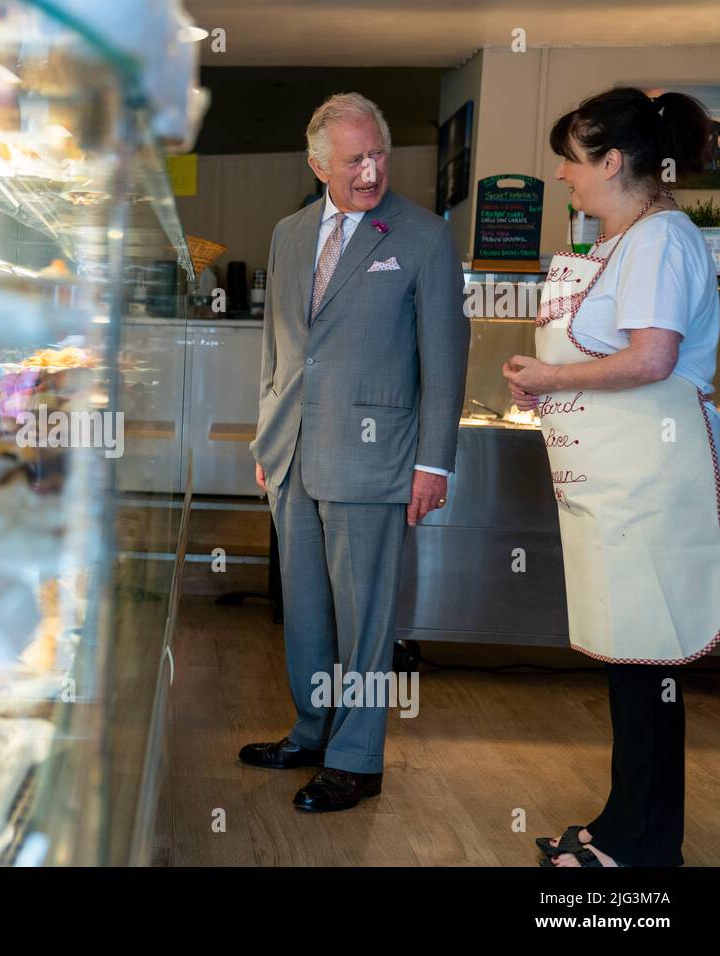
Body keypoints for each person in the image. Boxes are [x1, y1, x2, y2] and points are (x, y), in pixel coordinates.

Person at [504, 87, 720, 867]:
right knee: (633, 665)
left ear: (613, 161)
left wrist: (555, 379)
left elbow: (653, 358)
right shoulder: (631, 241)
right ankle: (620, 822)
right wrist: (545, 375)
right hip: (624, 486)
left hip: (654, 485)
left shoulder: (661, 240)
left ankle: (642, 848)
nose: (563, 176)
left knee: (649, 668)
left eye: (571, 158)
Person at [241, 93, 469, 811]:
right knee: (305, 611)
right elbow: (280, 349)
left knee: (366, 620)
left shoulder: (424, 236)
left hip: (376, 459)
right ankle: (312, 730)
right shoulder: (288, 234)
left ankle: (357, 758)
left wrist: (433, 464)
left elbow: (445, 361)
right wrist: (266, 436)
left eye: (378, 154)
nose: (370, 171)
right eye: (352, 160)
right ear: (317, 165)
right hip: (292, 454)